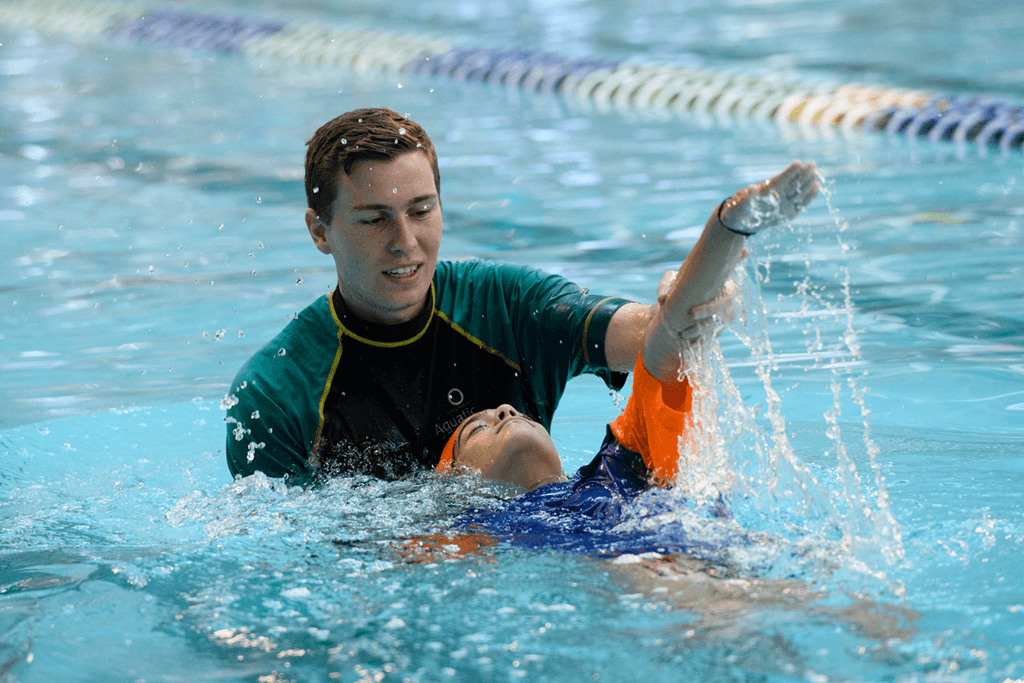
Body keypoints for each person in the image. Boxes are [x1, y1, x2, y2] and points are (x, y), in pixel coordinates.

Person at [224, 105, 817, 484]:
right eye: (374, 219)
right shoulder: (275, 395)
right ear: (319, 230)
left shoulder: (502, 302)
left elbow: (654, 341)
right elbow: (290, 564)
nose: (406, 243)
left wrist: (693, 303)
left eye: (421, 210)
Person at [429, 159, 820, 553]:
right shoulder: (461, 535)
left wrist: (728, 228)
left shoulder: (619, 466)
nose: (505, 411)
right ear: (454, 481)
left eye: (518, 413)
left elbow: (666, 338)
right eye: (473, 430)